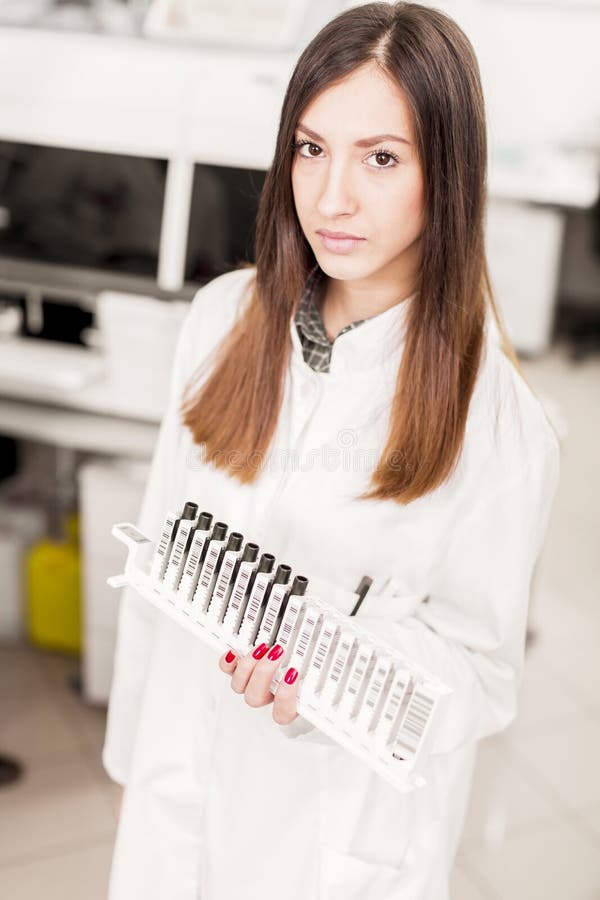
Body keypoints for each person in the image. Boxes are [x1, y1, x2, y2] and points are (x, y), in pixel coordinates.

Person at [102, 3, 559, 898]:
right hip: (174, 795)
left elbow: (482, 676)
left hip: (330, 844)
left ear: (447, 175)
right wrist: (128, 771)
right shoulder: (221, 321)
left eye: (380, 158)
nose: (332, 196)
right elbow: (157, 570)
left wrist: (340, 678)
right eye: (311, 149)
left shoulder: (498, 424)